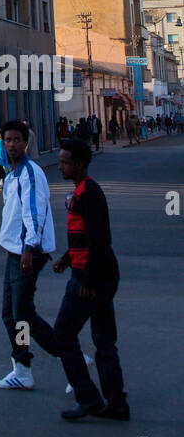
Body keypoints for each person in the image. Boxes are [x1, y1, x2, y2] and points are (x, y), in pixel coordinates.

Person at [52, 138, 129, 420]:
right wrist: (66, 258)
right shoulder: (83, 191)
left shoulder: (88, 193)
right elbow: (84, 237)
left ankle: (88, 398)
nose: (60, 166)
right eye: (60, 161)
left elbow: (100, 240)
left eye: (65, 162)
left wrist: (86, 280)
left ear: (80, 165)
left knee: (63, 334)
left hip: (92, 277)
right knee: (104, 340)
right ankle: (117, 403)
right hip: (97, 274)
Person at [0, 119, 61, 389]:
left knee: (22, 313)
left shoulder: (30, 173)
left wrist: (29, 248)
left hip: (27, 251)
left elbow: (35, 212)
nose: (11, 145)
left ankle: (70, 357)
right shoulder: (12, 175)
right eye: (7, 140)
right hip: (15, 250)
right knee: (12, 314)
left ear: (25, 142)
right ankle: (22, 368)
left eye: (16, 140)